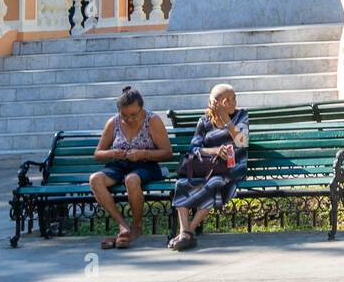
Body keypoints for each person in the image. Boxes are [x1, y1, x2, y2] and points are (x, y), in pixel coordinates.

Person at [89, 87, 173, 249]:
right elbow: (98, 154)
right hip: (119, 164)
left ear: (141, 108)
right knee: (95, 179)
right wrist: (113, 152)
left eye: (134, 115)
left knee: (131, 179)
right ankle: (122, 225)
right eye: (124, 115)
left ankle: (137, 225)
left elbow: (167, 153)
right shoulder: (113, 122)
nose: (129, 119)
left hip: (146, 165)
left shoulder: (152, 120)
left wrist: (142, 154)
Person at [168, 83, 249, 251]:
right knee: (181, 184)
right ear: (215, 102)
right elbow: (194, 148)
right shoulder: (204, 121)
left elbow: (242, 142)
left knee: (214, 183)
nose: (233, 102)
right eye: (228, 99)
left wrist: (226, 121)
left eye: (234, 98)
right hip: (207, 168)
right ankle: (185, 232)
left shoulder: (241, 116)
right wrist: (215, 151)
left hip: (231, 168)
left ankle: (186, 233)